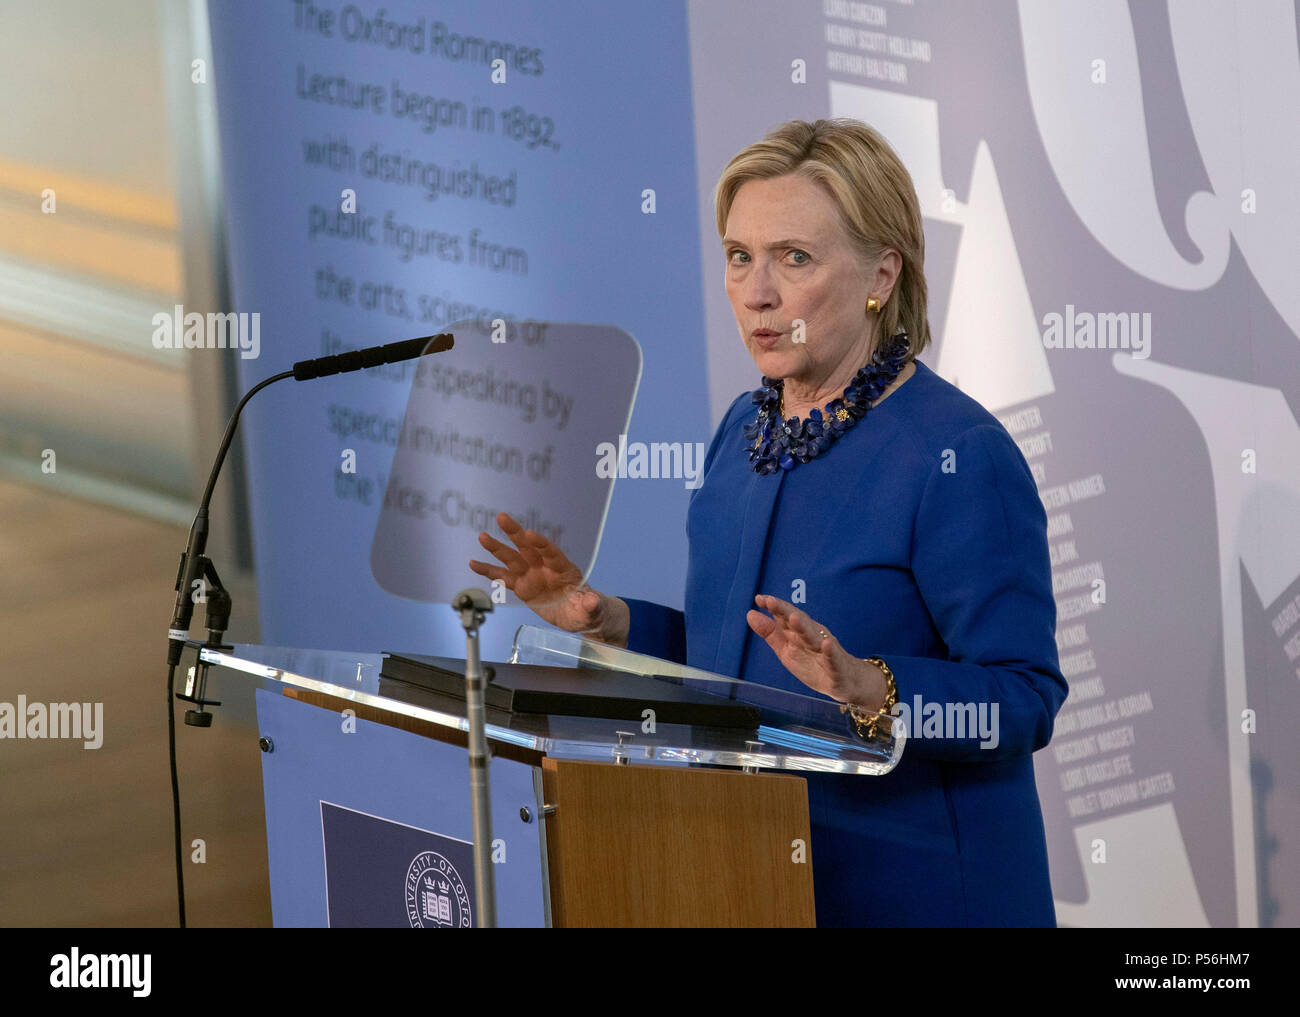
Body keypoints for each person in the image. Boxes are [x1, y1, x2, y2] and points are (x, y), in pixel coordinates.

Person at [470, 118, 1067, 927]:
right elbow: (734, 670)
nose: (757, 291)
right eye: (739, 255)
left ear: (880, 275)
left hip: (918, 894)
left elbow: (1023, 697)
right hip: (747, 876)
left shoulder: (958, 456)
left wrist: (876, 689)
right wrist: (606, 622)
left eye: (795, 257)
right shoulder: (742, 434)